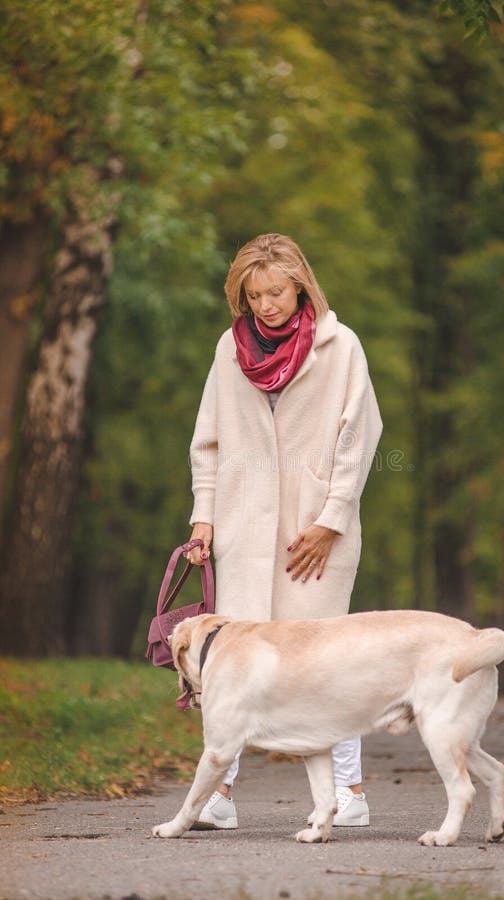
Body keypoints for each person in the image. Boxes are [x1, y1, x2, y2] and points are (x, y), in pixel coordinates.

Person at [185, 233, 382, 830]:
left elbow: (360, 437)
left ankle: (350, 792)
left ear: (300, 285)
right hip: (243, 526)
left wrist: (331, 520)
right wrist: (204, 517)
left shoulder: (339, 345)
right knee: (234, 662)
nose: (267, 304)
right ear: (240, 296)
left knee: (322, 660)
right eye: (255, 295)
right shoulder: (229, 349)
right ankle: (219, 796)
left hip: (312, 532)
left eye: (276, 291)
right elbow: (208, 440)